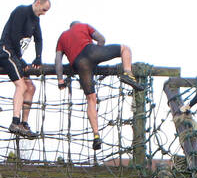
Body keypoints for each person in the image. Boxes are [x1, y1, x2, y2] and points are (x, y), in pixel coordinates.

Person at [53, 21, 139, 150]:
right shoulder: (84, 26)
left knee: (91, 99)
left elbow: (58, 60)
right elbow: (101, 39)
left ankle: (96, 135)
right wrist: (98, 54)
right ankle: (127, 73)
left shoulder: (62, 37)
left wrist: (60, 79)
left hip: (79, 63)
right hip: (92, 51)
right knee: (125, 48)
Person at [0, 0, 51, 138]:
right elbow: (14, 36)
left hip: (17, 57)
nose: (44, 13)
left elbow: (39, 39)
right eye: (44, 9)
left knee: (31, 87)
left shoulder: (35, 20)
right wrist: (20, 59)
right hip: (6, 53)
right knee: (21, 86)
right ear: (38, 3)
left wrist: (38, 57)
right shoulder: (21, 11)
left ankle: (24, 124)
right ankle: (15, 121)